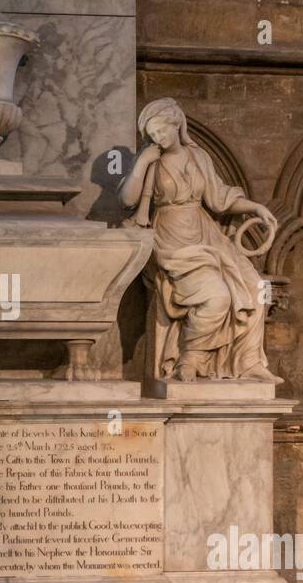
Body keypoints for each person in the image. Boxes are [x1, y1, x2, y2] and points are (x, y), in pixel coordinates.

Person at [119, 97, 279, 382]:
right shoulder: (151, 162)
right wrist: (142, 162)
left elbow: (219, 199)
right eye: (153, 134)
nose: (158, 138)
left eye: (162, 131)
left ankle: (248, 361)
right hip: (171, 238)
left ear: (177, 124)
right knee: (216, 296)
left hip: (205, 233)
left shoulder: (199, 157)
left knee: (256, 287)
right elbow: (128, 199)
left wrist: (256, 207)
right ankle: (189, 359)